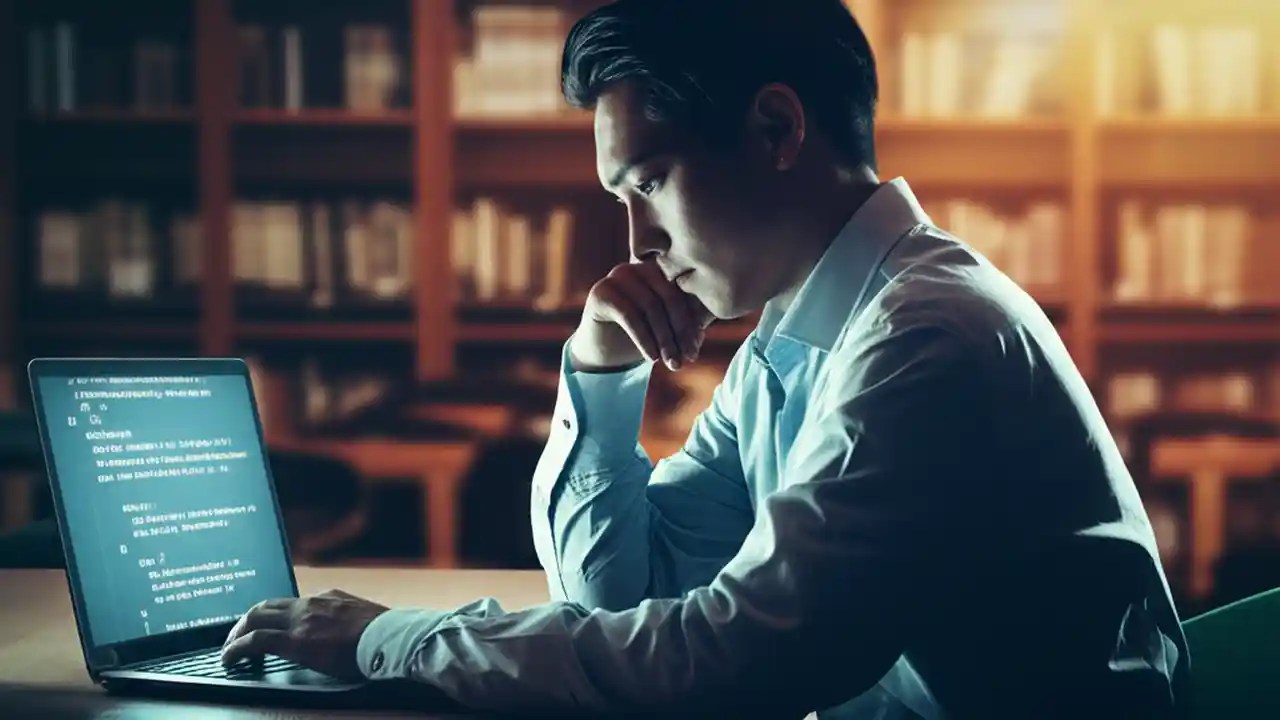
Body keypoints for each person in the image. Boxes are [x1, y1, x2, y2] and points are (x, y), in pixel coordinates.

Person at [221, 1, 1190, 716]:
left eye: (648, 180)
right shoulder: (800, 330)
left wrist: (393, 641)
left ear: (775, 129)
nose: (634, 239)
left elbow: (727, 669)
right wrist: (601, 368)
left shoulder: (919, 343)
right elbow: (620, 592)